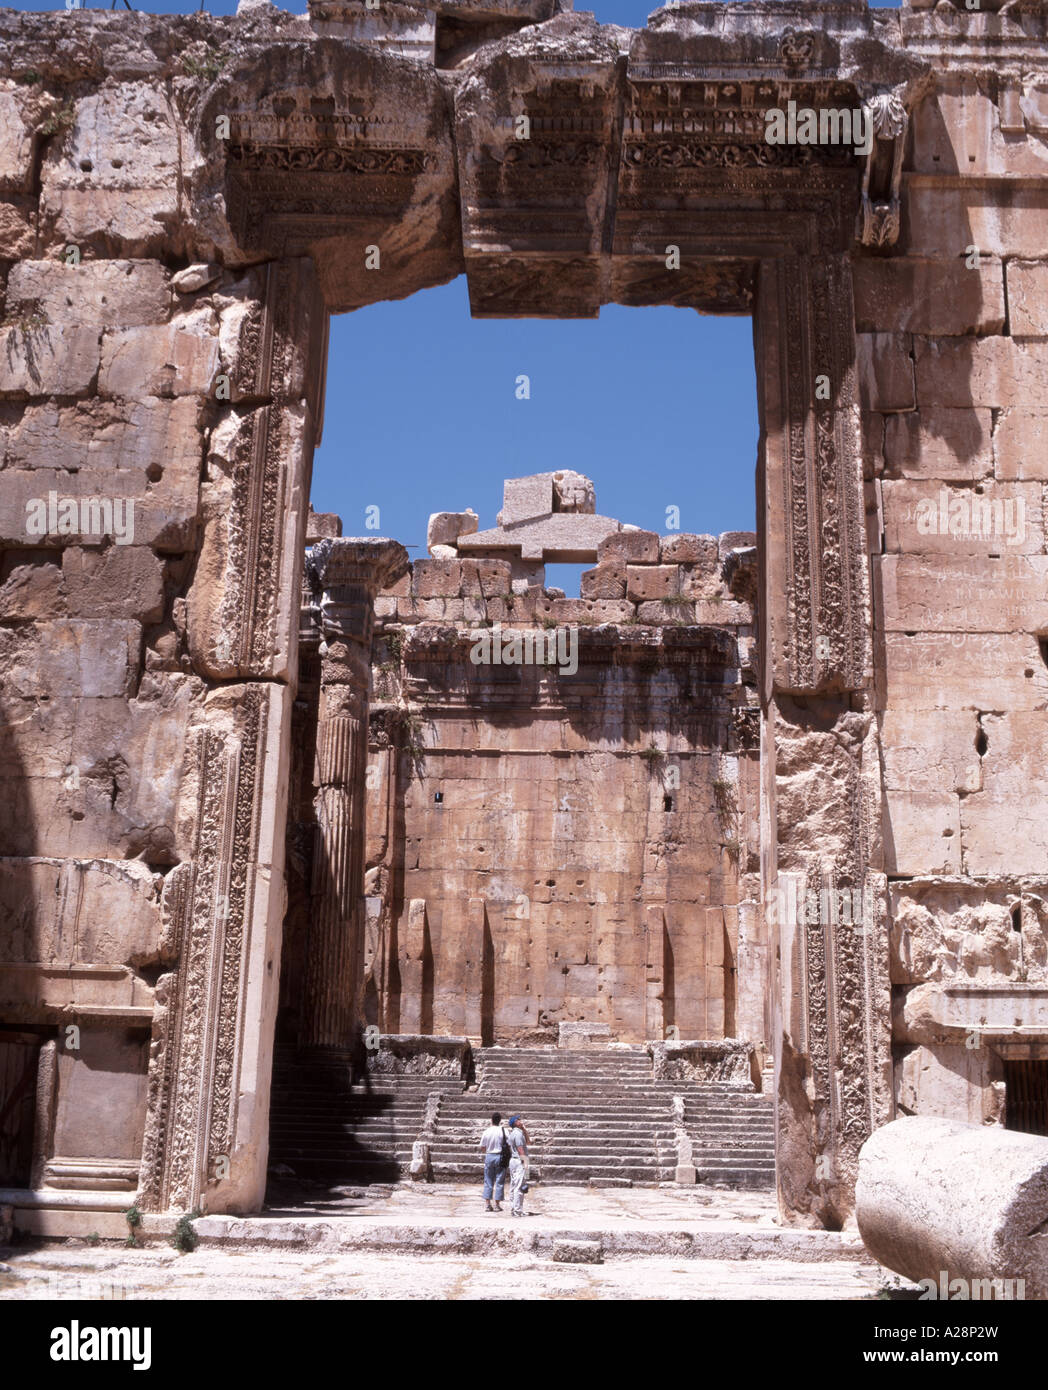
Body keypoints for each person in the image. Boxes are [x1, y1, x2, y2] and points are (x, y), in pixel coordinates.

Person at [479, 1111, 507, 1212]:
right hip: (500, 1156)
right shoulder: (504, 1131)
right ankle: (497, 1204)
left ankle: (487, 1204)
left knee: (488, 1180)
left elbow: (482, 1146)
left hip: (489, 1155)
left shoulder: (487, 1131)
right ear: (500, 1121)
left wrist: (487, 1151)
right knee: (500, 1181)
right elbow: (508, 1144)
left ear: (492, 1120)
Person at [506, 1114, 529, 1217]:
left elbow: (529, 1142)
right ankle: (517, 1210)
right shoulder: (518, 1134)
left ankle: (514, 1208)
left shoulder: (515, 1133)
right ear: (515, 1122)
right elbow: (520, 1149)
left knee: (514, 1185)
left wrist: (524, 1129)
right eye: (519, 1120)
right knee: (519, 1186)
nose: (521, 1120)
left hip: (514, 1161)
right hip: (520, 1160)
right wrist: (525, 1162)